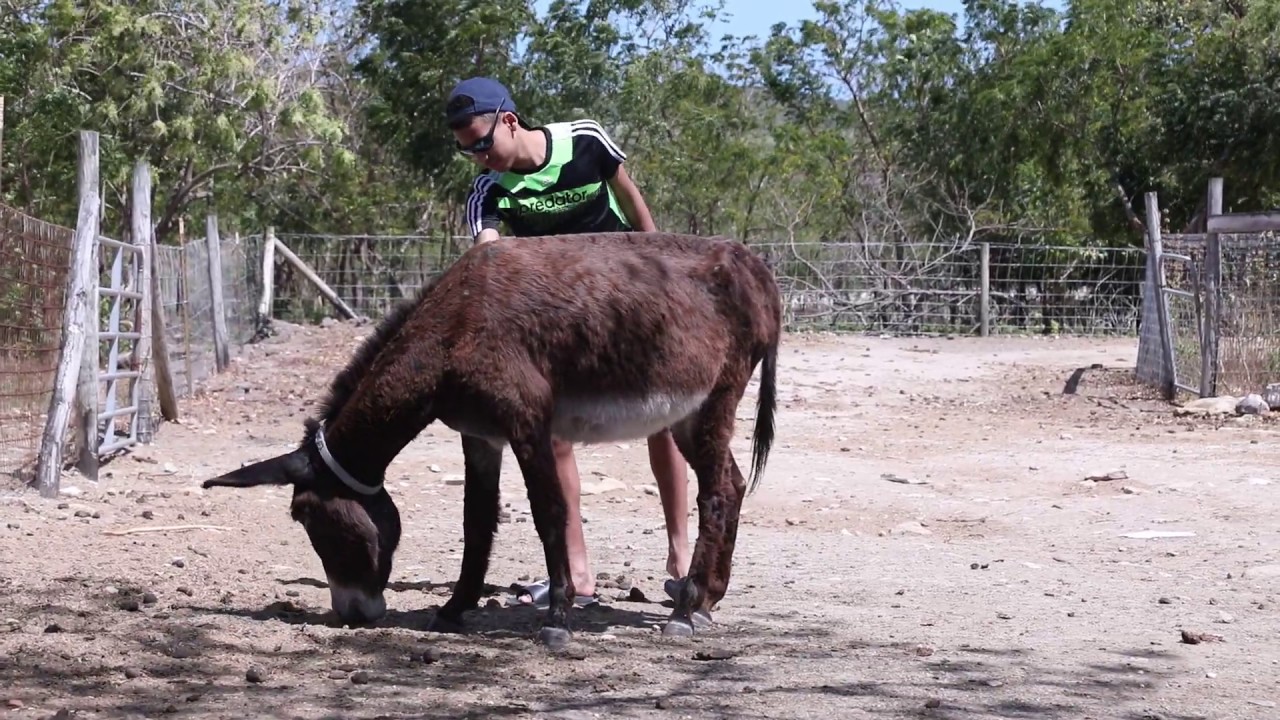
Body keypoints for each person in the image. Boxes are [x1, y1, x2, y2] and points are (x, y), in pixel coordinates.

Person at [443, 76, 691, 607]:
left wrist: (666, 273)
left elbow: (632, 199)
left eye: (482, 144)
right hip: (561, 321)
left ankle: (681, 558)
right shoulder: (489, 190)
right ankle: (577, 575)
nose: (478, 158)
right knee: (551, 433)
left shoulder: (586, 141)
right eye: (467, 151)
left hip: (631, 298)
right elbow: (488, 259)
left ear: (508, 121)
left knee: (665, 420)